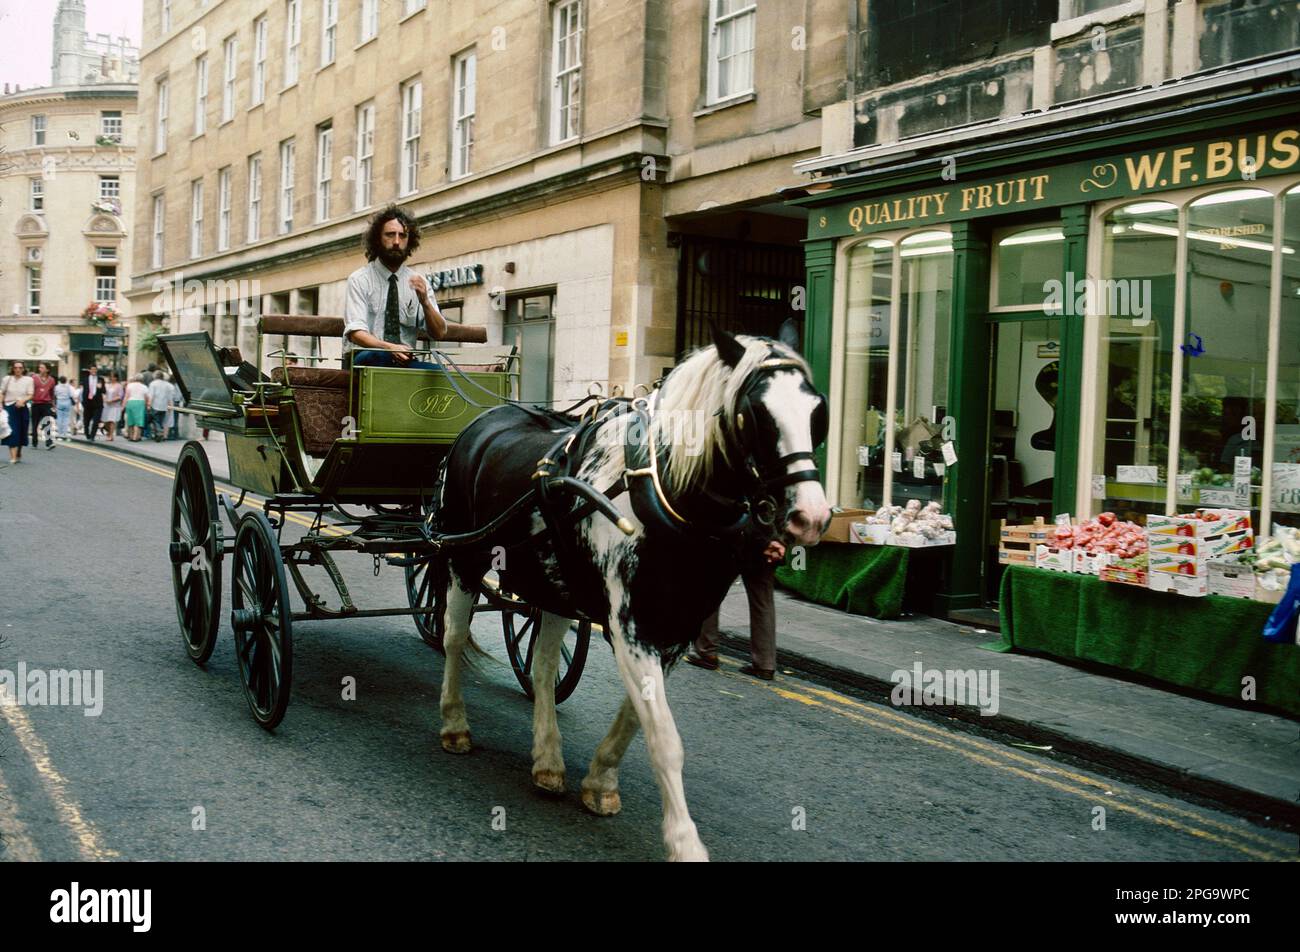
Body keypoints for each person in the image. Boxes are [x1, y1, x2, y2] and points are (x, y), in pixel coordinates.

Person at [342, 204, 447, 369]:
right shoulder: (359, 279)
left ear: (410, 241)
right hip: (365, 358)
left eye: (402, 236)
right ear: (378, 239)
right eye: (390, 235)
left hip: (403, 360)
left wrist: (425, 302)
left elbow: (439, 333)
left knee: (439, 372)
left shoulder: (419, 282)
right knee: (380, 357)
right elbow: (356, 333)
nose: (397, 241)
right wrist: (389, 348)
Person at [685, 540, 786, 681]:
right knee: (763, 602)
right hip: (770, 546)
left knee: (710, 589)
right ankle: (765, 664)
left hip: (740, 540)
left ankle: (706, 651)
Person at [2, 361, 34, 464]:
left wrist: (22, 400)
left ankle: (18, 451)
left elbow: (30, 394)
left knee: (21, 431)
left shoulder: (29, 380)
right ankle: (13, 457)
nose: (18, 369)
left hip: (22, 408)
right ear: (12, 368)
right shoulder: (7, 379)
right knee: (11, 431)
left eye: (20, 367)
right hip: (9, 408)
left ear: (23, 369)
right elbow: (2, 392)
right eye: (16, 367)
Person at [29, 361, 56, 449]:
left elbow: (52, 393)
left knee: (46, 423)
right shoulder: (34, 378)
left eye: (42, 367)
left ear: (47, 369)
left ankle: (49, 442)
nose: (40, 369)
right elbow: (30, 390)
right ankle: (34, 442)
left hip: (46, 404)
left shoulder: (51, 380)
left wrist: (53, 404)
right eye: (39, 367)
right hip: (35, 404)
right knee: (35, 424)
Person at [147, 370, 172, 442]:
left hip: (155, 405)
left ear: (155, 376)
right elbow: (169, 397)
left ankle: (159, 432)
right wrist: (170, 405)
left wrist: (149, 405)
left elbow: (151, 395)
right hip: (164, 406)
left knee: (155, 420)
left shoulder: (153, 384)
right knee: (160, 421)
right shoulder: (167, 385)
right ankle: (158, 433)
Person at [81, 365, 105, 441]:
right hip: (88, 402)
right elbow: (84, 392)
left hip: (97, 403)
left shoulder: (100, 379)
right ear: (90, 370)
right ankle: (87, 433)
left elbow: (104, 391)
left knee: (96, 420)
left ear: (97, 370)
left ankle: (92, 436)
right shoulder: (85, 379)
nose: (94, 371)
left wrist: (100, 388)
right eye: (92, 369)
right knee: (86, 421)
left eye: (95, 369)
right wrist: (83, 402)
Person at [123, 373, 149, 441]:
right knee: (138, 421)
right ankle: (135, 437)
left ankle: (131, 436)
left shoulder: (129, 385)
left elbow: (126, 396)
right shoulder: (144, 387)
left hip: (130, 402)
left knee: (130, 420)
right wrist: (147, 405)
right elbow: (146, 397)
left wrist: (123, 405)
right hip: (140, 403)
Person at [101, 371, 124, 442]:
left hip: (114, 406)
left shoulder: (119, 386)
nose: (111, 378)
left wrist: (112, 400)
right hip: (106, 405)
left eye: (113, 376)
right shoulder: (107, 385)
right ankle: (108, 432)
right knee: (105, 421)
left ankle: (111, 436)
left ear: (116, 378)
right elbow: (103, 393)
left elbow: (120, 396)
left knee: (112, 421)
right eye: (110, 376)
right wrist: (104, 398)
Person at [53, 375, 75, 440]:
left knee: (59, 418)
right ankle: (64, 433)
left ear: (59, 380)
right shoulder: (69, 387)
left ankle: (60, 433)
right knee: (66, 418)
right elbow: (72, 395)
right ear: (66, 380)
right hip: (67, 402)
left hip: (59, 402)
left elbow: (55, 395)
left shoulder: (56, 387)